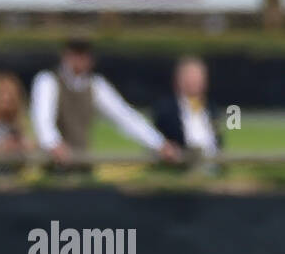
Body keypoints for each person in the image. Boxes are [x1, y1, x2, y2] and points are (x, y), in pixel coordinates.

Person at [30, 38, 180, 167]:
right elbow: (42, 119)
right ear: (66, 55)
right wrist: (53, 144)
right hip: (51, 166)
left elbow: (124, 116)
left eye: (83, 54)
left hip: (81, 165)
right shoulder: (48, 81)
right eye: (75, 53)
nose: (79, 59)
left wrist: (158, 143)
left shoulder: (96, 85)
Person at [152, 56, 221, 160]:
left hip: (213, 166)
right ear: (179, 80)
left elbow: (218, 141)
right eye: (190, 77)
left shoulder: (211, 108)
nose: (193, 81)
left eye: (197, 77)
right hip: (181, 166)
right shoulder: (166, 109)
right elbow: (158, 141)